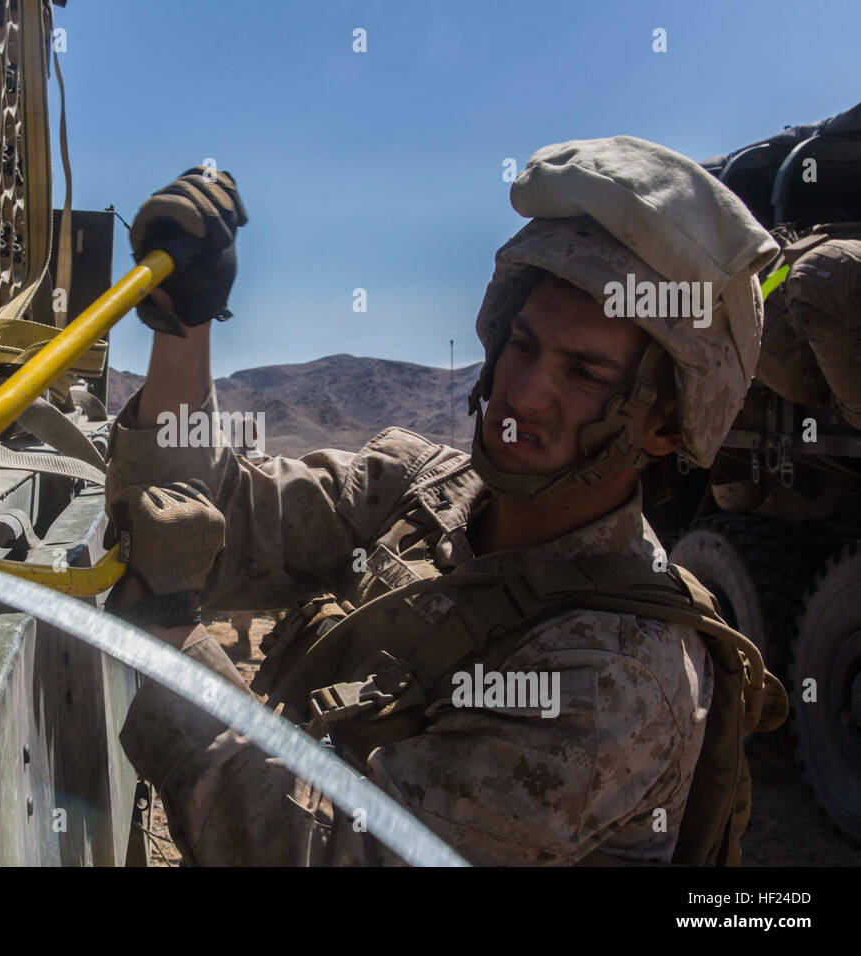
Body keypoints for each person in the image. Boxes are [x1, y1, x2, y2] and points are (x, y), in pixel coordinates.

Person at [104, 138, 785, 866]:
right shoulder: (422, 490)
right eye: (522, 347)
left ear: (666, 424)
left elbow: (333, 855)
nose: (522, 396)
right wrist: (186, 321)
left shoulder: (615, 677)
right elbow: (209, 520)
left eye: (583, 373)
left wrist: (167, 633)